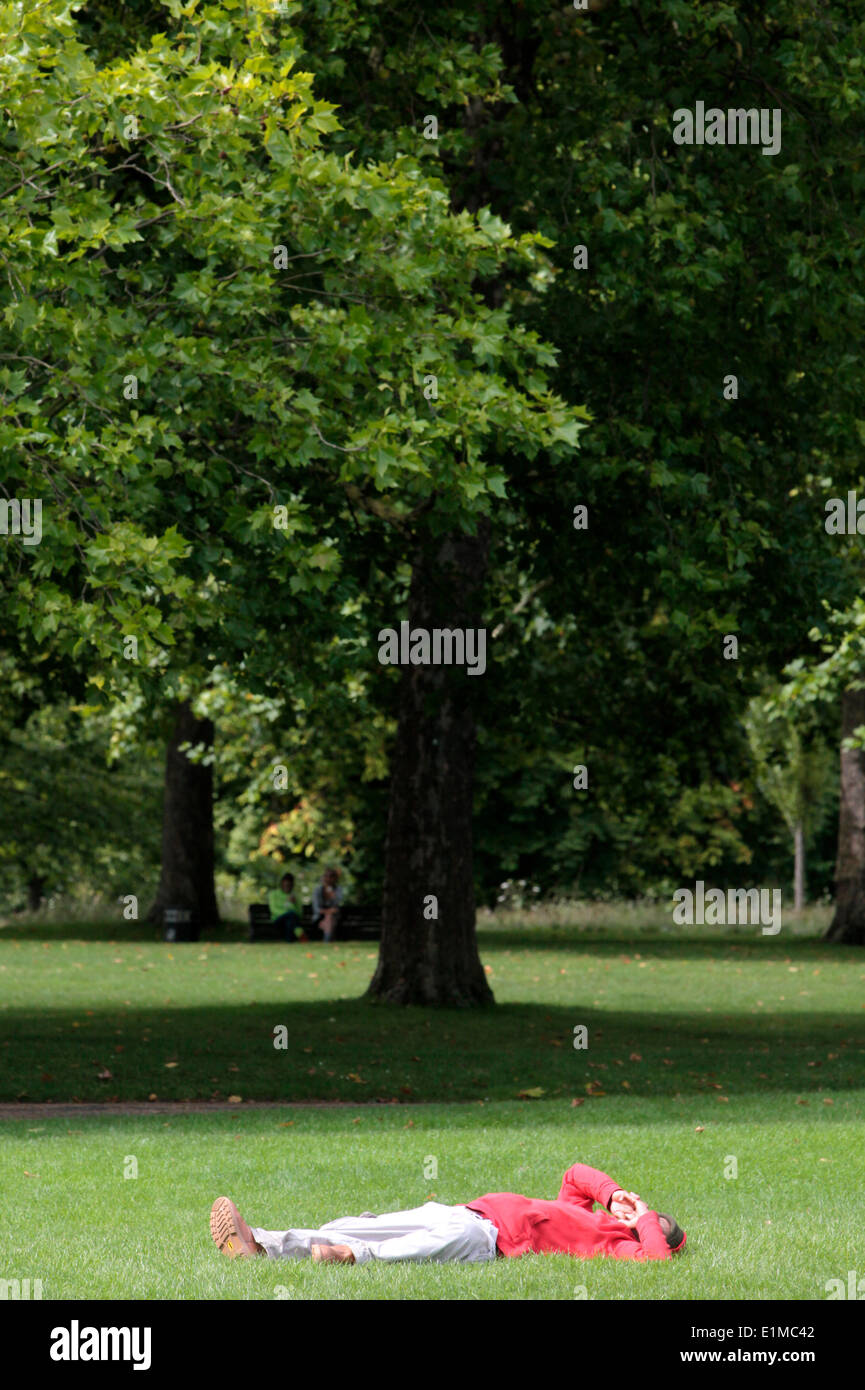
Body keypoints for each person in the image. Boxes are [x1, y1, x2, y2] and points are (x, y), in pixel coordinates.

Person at [209, 1161, 686, 1265]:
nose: (647, 1217)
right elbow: (576, 1171)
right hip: (465, 1211)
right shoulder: (585, 1212)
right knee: (356, 1224)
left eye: (653, 1225)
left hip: (487, 1241)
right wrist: (617, 1194)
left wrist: (644, 1221)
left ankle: (352, 1258)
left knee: (409, 1247)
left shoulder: (620, 1244)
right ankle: (262, 1242)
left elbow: (658, 1261)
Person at [310, 866, 343, 942]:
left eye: (331, 876)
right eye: (326, 876)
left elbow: (336, 907)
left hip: (335, 919)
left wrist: (332, 896)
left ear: (335, 878)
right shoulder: (318, 890)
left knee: (329, 919)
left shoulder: (338, 889)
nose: (328, 879)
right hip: (319, 918)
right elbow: (317, 909)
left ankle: (327, 940)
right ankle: (328, 940)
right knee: (328, 920)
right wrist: (329, 911)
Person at [267, 873, 302, 943]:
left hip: (291, 920)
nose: (287, 887)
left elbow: (299, 914)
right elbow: (273, 910)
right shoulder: (273, 894)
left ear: (292, 885)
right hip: (277, 919)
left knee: (289, 921)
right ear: (282, 884)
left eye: (289, 885)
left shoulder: (295, 897)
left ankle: (289, 941)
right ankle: (300, 934)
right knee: (291, 915)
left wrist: (294, 904)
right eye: (286, 885)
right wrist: (287, 913)